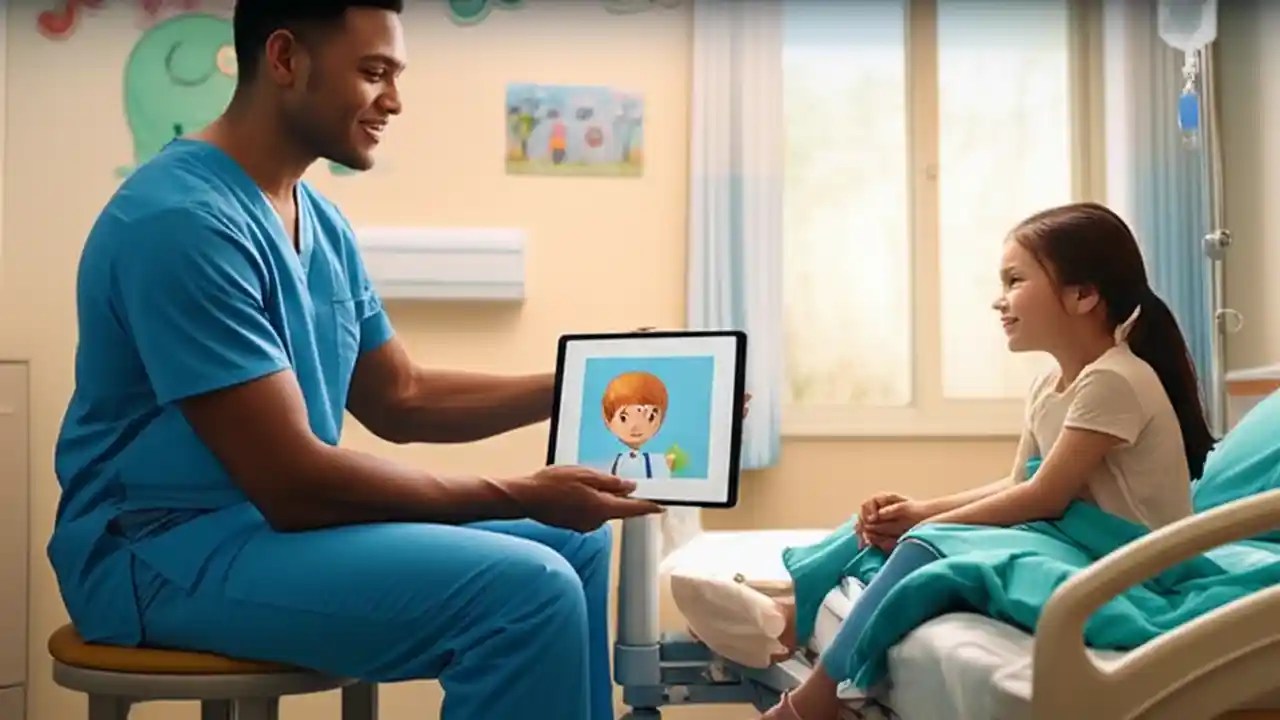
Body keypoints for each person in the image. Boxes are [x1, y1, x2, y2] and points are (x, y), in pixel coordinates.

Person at [47, 3, 669, 719]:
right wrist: (520, 492)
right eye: (374, 73)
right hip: (159, 551)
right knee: (527, 593)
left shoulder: (318, 218)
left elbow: (400, 397)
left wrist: (593, 384)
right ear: (285, 59)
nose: (394, 101)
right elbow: (294, 483)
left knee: (575, 547)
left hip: (270, 529)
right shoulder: (181, 222)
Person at [757, 202, 1216, 719]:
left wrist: (925, 523)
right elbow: (1019, 481)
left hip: (1132, 561)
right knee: (887, 523)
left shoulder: (1115, 379)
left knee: (923, 542)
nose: (1000, 301)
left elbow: (1045, 497)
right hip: (1078, 538)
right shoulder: (1049, 385)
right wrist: (916, 510)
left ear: (1083, 295)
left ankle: (816, 697)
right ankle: (793, 609)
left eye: (1015, 281)